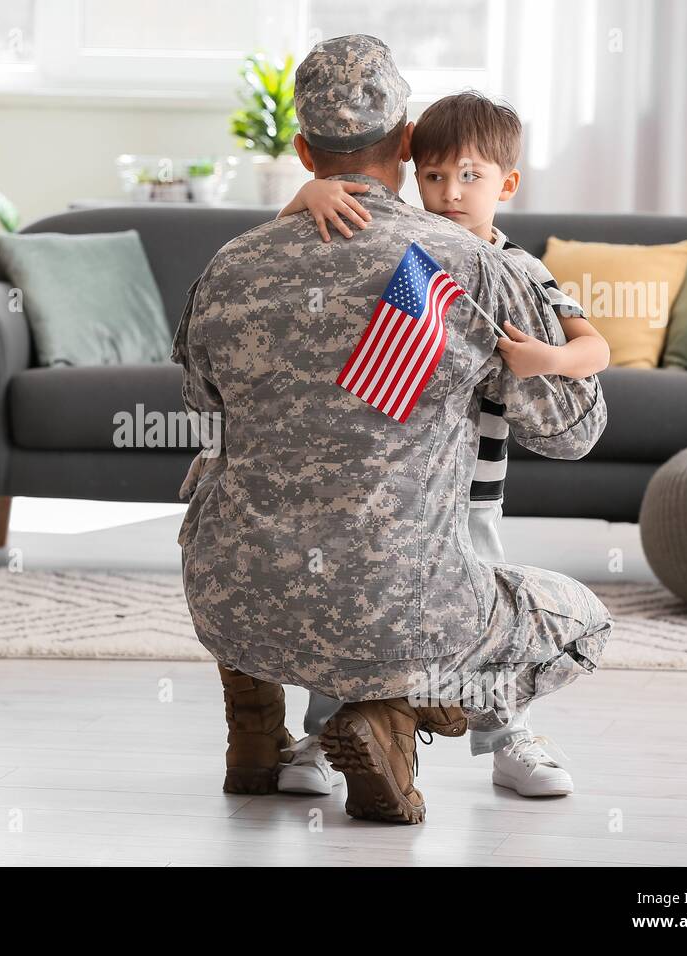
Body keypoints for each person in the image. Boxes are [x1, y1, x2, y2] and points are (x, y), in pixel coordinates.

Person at [173, 34, 613, 824]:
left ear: (303, 148)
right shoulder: (470, 265)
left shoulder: (231, 265)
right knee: (584, 623)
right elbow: (574, 431)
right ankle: (396, 716)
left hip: (237, 604)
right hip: (396, 610)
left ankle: (255, 732)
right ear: (409, 143)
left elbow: (204, 402)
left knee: (227, 498)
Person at [273, 91, 612, 798]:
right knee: (354, 599)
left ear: (506, 184)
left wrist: (543, 361)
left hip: (472, 489)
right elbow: (280, 258)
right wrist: (308, 191)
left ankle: (504, 737)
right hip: (383, 482)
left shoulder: (515, 267)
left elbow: (595, 349)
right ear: (407, 172)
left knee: (478, 608)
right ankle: (324, 733)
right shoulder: (389, 239)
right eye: (431, 176)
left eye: (469, 176)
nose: (449, 193)